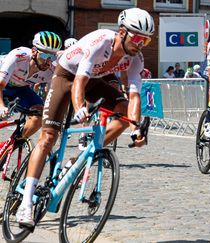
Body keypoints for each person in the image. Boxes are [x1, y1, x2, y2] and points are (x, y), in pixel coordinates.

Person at [16, 7, 153, 227]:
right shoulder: (101, 41)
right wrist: (80, 107)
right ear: (122, 32)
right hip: (68, 75)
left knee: (124, 116)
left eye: (145, 41)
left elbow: (134, 95)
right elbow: (78, 82)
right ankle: (25, 204)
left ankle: (77, 160)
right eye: (137, 38)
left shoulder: (135, 59)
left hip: (97, 79)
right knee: (49, 137)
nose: (139, 45)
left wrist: (136, 127)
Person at [0, 31, 62, 139]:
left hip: (21, 89)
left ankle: (12, 144)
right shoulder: (18, 56)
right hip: (3, 85)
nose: (48, 61)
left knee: (39, 116)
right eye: (45, 55)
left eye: (52, 57)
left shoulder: (52, 69)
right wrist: (1, 107)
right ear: (34, 51)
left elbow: (52, 95)